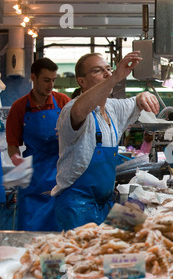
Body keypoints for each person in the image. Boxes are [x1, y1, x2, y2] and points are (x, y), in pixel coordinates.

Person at [51, 51, 160, 230]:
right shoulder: (71, 109)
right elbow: (80, 110)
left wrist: (144, 95)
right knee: (82, 256)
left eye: (108, 69)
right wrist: (116, 76)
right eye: (97, 71)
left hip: (106, 204)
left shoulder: (112, 108)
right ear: (81, 81)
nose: (107, 74)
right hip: (77, 207)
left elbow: (137, 101)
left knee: (139, 231)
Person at [5, 58, 71, 231]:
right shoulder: (19, 108)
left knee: (57, 234)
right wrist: (19, 166)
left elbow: (77, 137)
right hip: (32, 178)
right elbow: (13, 145)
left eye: (53, 80)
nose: (51, 85)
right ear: (33, 78)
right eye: (46, 80)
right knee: (29, 232)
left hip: (59, 175)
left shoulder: (63, 102)